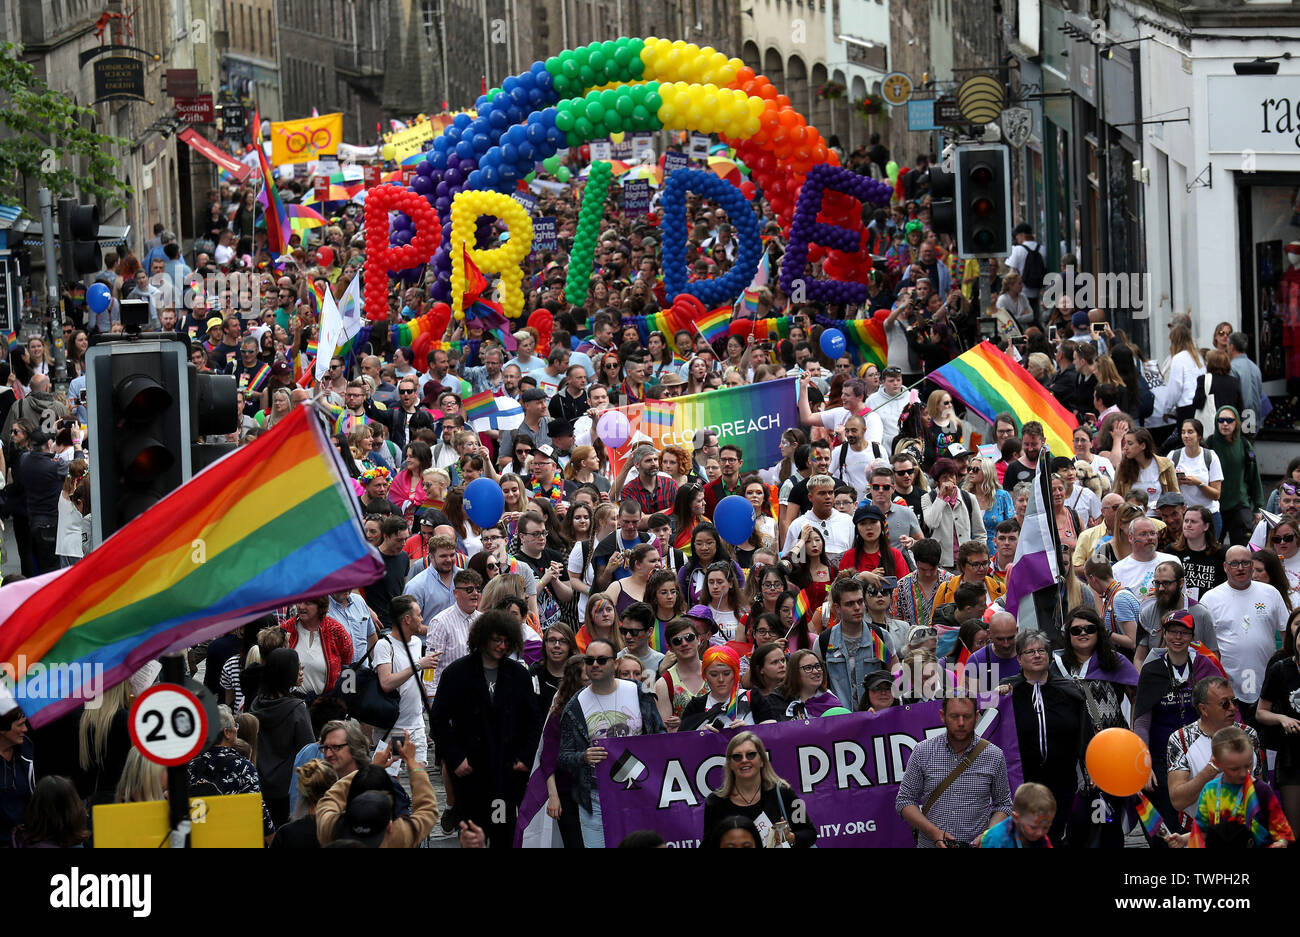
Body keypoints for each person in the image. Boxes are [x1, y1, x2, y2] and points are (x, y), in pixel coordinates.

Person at [431, 610, 540, 848]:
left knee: (504, 835)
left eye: (506, 641)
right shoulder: (456, 673)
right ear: (482, 638)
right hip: (470, 772)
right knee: (471, 836)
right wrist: (455, 758)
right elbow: (438, 720)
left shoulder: (519, 674)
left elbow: (533, 721)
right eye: (496, 640)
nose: (502, 646)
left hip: (506, 773)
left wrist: (524, 757)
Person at [557, 638, 666, 848]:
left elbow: (659, 735)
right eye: (590, 660)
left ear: (615, 664)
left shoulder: (638, 690)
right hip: (596, 797)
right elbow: (563, 757)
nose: (595, 664)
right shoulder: (575, 706)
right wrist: (584, 756)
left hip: (641, 791)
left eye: (602, 659)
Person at [1133, 609, 1231, 830]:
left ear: (1192, 637)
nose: (1178, 638)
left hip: (1200, 755)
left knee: (1201, 821)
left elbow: (1225, 708)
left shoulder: (1205, 665)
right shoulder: (1152, 670)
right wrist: (1143, 763)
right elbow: (1141, 721)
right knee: (1166, 824)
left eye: (1184, 633)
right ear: (1164, 635)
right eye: (1172, 632)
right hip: (1160, 757)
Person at [1001, 630, 1094, 844]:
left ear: (1049, 656)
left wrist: (1090, 769)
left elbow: (1084, 732)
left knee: (1056, 832)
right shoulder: (1008, 690)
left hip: (1062, 777)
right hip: (1022, 778)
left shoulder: (1068, 690)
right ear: (1019, 659)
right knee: (1026, 835)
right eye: (1030, 651)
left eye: (1041, 650)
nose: (1037, 655)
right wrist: (995, 697)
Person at [896, 695, 1014, 848]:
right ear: (942, 716)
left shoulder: (994, 755)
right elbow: (904, 801)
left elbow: (1003, 805)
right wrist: (933, 832)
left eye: (967, 716)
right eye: (954, 716)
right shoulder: (923, 751)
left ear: (977, 716)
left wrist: (988, 835)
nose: (961, 723)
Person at [1200, 546, 1289, 726]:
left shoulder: (1270, 593)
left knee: (1266, 745)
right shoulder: (1210, 599)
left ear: (1251, 565)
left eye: (1245, 563)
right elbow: (1202, 646)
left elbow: (1287, 634)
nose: (1240, 568)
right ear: (1225, 567)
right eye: (1234, 564)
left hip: (1267, 684)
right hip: (1227, 687)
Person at [1167, 676, 1266, 827]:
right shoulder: (1181, 739)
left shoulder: (1249, 734)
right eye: (1225, 704)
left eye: (1234, 701)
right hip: (1197, 832)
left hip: (1244, 830)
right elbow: (1177, 801)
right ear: (1203, 709)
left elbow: (1259, 785)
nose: (1233, 708)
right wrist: (1211, 769)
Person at [1174, 727, 1294, 848]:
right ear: (1217, 763)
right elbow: (1202, 830)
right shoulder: (1210, 790)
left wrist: (1281, 843)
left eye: (1248, 765)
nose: (1243, 773)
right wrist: (1184, 839)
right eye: (1234, 769)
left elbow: (1281, 830)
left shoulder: (1261, 790)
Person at [316, 737, 439, 847]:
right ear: (389, 827)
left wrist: (370, 769)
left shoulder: (332, 830)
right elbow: (427, 809)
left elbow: (331, 798)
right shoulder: (398, 837)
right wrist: (413, 763)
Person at [702, 731, 816, 847]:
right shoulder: (715, 802)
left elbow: (810, 833)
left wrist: (791, 837)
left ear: (762, 760)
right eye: (737, 756)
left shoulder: (784, 792)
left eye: (751, 754)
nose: (744, 760)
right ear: (730, 764)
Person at [187, 704, 276, 839]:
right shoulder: (243, 767)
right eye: (235, 726)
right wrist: (271, 839)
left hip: (199, 837)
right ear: (226, 733)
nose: (237, 729)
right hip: (232, 837)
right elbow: (258, 810)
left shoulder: (191, 765)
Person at [249, 648, 315, 828]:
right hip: (288, 786)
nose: (301, 672)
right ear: (287, 672)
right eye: (298, 668)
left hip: (260, 782)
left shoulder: (256, 704)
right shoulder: (296, 708)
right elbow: (308, 751)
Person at [374, 594, 438, 777]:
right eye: (419, 614)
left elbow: (416, 681)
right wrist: (419, 665)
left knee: (420, 776)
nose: (422, 618)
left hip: (416, 724)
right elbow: (386, 683)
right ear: (407, 619)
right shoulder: (384, 645)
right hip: (395, 728)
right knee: (392, 779)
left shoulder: (417, 643)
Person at [814, 576, 892, 710]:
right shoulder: (823, 641)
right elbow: (817, 686)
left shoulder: (880, 637)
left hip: (876, 718)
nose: (857, 608)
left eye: (860, 602)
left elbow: (895, 673)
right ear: (837, 608)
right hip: (841, 721)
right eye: (850, 604)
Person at [1136, 560, 1219, 667]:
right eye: (1157, 583)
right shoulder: (1146, 613)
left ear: (1180, 583)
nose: (1160, 588)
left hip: (1193, 678)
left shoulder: (1201, 614)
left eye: (1166, 583)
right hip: (1157, 678)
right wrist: (1144, 681)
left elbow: (1213, 656)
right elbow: (1139, 658)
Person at [1258, 623, 1300, 832]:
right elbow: (1261, 712)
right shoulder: (1281, 668)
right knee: (1293, 828)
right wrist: (1282, 718)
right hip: (1291, 754)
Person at [1204, 406, 1261, 548]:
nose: (1225, 424)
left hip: (1239, 504)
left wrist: (1258, 507)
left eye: (1229, 420)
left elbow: (1254, 476)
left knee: (1242, 549)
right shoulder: (1208, 445)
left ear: (1236, 423)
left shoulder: (1244, 445)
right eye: (1221, 420)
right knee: (1213, 549)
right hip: (1214, 506)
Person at [425, 569, 483, 695]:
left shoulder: (484, 620)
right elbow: (430, 667)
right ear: (455, 593)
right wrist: (431, 699)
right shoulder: (440, 622)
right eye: (469, 589)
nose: (475, 594)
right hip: (449, 694)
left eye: (478, 589)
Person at [921, 458, 986, 570]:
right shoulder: (927, 498)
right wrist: (941, 498)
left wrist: (976, 558)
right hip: (941, 565)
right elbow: (932, 523)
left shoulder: (969, 498)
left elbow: (980, 533)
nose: (949, 480)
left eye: (952, 476)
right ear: (937, 482)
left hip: (966, 564)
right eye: (944, 478)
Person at [781, 474, 854, 563]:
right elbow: (793, 562)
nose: (828, 497)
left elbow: (855, 555)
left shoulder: (848, 522)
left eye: (830, 492)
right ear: (810, 497)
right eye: (822, 493)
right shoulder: (798, 524)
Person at [654, 618, 706, 730]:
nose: (684, 643)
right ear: (670, 648)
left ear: (699, 640)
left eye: (689, 638)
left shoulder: (714, 673)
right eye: (677, 641)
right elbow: (668, 731)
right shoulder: (663, 684)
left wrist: (683, 723)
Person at [891, 538, 952, 633]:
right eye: (923, 569)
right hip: (914, 643)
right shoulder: (902, 586)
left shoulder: (951, 582)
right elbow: (897, 619)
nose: (928, 574)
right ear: (916, 562)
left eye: (932, 569)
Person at [1111, 516, 1177, 602]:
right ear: (1130, 538)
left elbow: (1182, 599)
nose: (1150, 538)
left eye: (1153, 533)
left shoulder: (1172, 562)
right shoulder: (1118, 570)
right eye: (1143, 534)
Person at [975, 782, 1057, 848]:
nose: (1040, 832)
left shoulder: (1038, 835)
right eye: (1033, 827)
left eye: (1046, 827)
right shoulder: (997, 839)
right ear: (1016, 818)